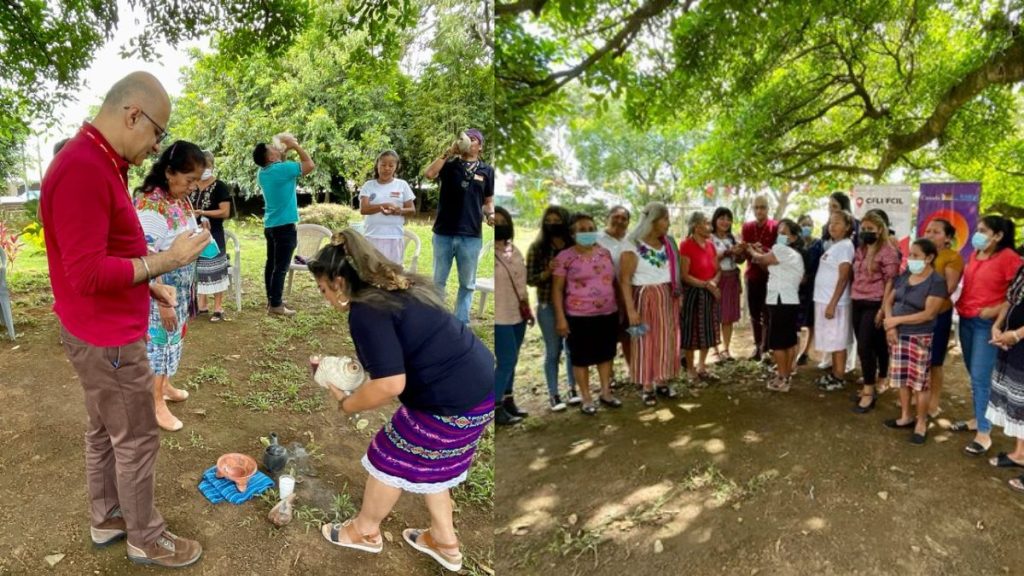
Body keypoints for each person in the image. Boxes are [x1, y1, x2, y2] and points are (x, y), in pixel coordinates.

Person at [40, 71, 209, 568]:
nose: (158, 145)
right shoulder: (83, 168)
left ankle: (108, 516)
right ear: (132, 113)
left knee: (104, 432)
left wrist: (145, 282)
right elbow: (88, 273)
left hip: (99, 329)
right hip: (107, 338)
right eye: (157, 132)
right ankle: (146, 538)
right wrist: (165, 262)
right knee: (135, 437)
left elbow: (102, 253)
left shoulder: (101, 161)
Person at [308, 230, 493, 573]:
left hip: (449, 402)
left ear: (339, 281)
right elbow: (395, 358)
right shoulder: (394, 287)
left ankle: (364, 532)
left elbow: (391, 383)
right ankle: (444, 541)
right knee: (431, 460)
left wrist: (346, 404)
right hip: (479, 391)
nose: (325, 299)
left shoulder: (365, 311)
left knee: (388, 455)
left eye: (323, 290)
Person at [135, 141, 207, 432]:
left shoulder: (178, 199)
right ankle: (155, 404)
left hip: (181, 287)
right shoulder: (152, 206)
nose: (192, 187)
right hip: (161, 292)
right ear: (169, 172)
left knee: (172, 342)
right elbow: (144, 256)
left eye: (195, 181)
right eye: (189, 180)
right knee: (158, 346)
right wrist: (163, 299)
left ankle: (164, 386)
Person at [952, 216, 1023, 456]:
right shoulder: (975, 254)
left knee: (981, 378)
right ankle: (979, 417)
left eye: (983, 230)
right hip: (966, 320)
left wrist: (993, 312)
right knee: (975, 374)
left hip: (987, 325)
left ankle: (983, 434)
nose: (977, 234)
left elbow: (1016, 295)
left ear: (999, 235)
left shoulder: (1010, 259)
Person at [423, 129, 495, 324]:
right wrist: (448, 152)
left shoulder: (487, 171)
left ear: (480, 146)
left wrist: (491, 215)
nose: (467, 142)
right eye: (464, 138)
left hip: (471, 235)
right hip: (443, 233)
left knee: (467, 284)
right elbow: (429, 174)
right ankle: (435, 321)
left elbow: (488, 201)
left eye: (472, 139)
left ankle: (461, 324)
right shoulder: (449, 165)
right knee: (438, 281)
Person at [553, 214, 622, 415]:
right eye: (582, 229)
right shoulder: (564, 257)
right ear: (573, 233)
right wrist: (560, 318)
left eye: (591, 228)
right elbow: (557, 289)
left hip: (608, 313)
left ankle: (606, 392)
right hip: (579, 316)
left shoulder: (605, 253)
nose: (588, 232)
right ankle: (586, 398)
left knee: (606, 354)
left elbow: (613, 282)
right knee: (581, 358)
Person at [882, 239, 948, 444]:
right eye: (910, 255)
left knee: (920, 383)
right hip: (897, 335)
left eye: (916, 255)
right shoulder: (905, 276)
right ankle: (905, 416)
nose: (911, 259)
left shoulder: (936, 281)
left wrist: (896, 320)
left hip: (919, 336)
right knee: (902, 379)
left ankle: (921, 422)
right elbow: (888, 301)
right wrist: (891, 326)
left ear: (929, 258)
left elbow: (928, 314)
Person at [620, 202, 682, 406]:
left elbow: (675, 272)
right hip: (643, 299)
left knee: (667, 339)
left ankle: (662, 380)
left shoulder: (669, 243)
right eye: (665, 218)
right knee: (643, 340)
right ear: (652, 221)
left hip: (666, 297)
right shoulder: (632, 244)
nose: (668, 222)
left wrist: (677, 295)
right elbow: (625, 280)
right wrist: (630, 310)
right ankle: (646, 385)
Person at [252, 134, 315, 316]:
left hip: (271, 226)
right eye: (272, 148)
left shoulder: (263, 172)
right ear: (271, 157)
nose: (275, 147)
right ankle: (277, 305)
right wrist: (295, 146)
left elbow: (282, 164)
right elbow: (309, 165)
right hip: (285, 227)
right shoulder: (281, 170)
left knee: (271, 264)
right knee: (281, 267)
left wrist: (284, 150)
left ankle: (272, 300)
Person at [527, 206, 580, 411]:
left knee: (572, 349)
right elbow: (530, 279)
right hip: (548, 306)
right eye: (548, 220)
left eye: (556, 220)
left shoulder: (574, 246)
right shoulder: (537, 248)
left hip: (575, 306)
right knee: (553, 351)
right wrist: (547, 272)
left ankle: (573, 389)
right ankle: (553, 394)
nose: (552, 224)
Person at [850, 211, 900, 413]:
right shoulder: (860, 249)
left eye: (870, 229)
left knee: (864, 346)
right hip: (857, 301)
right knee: (875, 344)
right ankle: (879, 377)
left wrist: (882, 309)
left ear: (880, 230)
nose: (866, 232)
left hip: (875, 302)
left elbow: (891, 281)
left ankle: (869, 390)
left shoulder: (888, 251)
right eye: (863, 228)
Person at [747, 219, 805, 391]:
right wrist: (760, 254)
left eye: (784, 232)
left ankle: (781, 377)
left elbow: (762, 259)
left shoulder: (781, 249)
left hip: (779, 300)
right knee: (788, 341)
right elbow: (769, 264)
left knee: (779, 343)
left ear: (793, 237)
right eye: (778, 231)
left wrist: (751, 250)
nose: (779, 235)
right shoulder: (796, 255)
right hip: (790, 300)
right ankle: (785, 376)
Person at [987, 265, 1024, 491]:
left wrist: (1016, 335)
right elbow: (1010, 300)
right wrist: (998, 325)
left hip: (1018, 339)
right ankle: (1020, 454)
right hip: (1013, 344)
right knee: (1020, 403)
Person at [922, 218, 964, 417]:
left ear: (948, 238)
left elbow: (949, 288)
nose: (930, 234)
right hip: (916, 314)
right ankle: (918, 397)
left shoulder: (952, 257)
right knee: (919, 359)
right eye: (928, 230)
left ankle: (933, 402)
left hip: (938, 314)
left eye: (936, 232)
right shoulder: (921, 255)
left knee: (935, 361)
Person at [494, 207, 531, 425]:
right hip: (500, 316)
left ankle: (508, 401)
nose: (500, 225)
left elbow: (521, 283)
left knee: (512, 360)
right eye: (495, 222)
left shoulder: (513, 250)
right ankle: (494, 406)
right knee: (506, 360)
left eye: (503, 221)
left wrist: (527, 308)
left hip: (518, 313)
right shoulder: (491, 253)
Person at [813, 210, 855, 392]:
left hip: (835, 302)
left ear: (847, 227)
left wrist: (832, 303)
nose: (832, 226)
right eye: (831, 222)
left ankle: (839, 377)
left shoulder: (846, 246)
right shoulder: (835, 246)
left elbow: (844, 276)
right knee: (831, 339)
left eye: (837, 223)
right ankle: (835, 373)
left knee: (838, 341)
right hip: (824, 299)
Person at [190, 150, 232, 322]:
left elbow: (225, 211)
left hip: (214, 234)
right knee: (198, 269)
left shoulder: (220, 186)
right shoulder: (191, 185)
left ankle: (218, 308)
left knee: (215, 269)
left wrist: (203, 212)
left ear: (212, 166)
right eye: (201, 167)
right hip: (194, 233)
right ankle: (202, 305)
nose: (204, 170)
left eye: (207, 166)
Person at [679, 211, 721, 381]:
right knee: (691, 331)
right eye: (706, 223)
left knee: (708, 330)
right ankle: (690, 369)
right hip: (693, 294)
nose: (710, 227)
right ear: (696, 226)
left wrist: (714, 283)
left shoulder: (711, 245)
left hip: (709, 293)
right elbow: (684, 275)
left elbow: (718, 270)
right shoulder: (686, 245)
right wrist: (707, 285)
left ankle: (702, 366)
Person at [359, 150, 416, 266]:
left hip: (394, 237)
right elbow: (364, 209)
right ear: (377, 165)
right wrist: (384, 206)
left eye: (391, 165)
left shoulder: (402, 185)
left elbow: (412, 210)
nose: (387, 168)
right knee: (372, 272)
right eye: (383, 165)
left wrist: (398, 210)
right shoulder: (368, 186)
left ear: (396, 167)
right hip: (372, 236)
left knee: (393, 273)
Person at [738, 195, 777, 360]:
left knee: (768, 313)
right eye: (756, 207)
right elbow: (743, 251)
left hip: (771, 276)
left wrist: (762, 250)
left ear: (768, 209)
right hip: (752, 275)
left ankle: (766, 348)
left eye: (763, 207)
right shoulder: (747, 227)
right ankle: (757, 346)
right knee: (755, 314)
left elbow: (779, 250)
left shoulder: (775, 226)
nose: (760, 210)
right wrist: (748, 248)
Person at [598, 205, 634, 369]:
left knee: (631, 333)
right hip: (605, 296)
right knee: (607, 337)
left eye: (624, 218)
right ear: (608, 217)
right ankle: (608, 375)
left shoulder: (632, 240)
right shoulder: (595, 238)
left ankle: (632, 369)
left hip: (629, 294)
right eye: (616, 216)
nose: (619, 221)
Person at [711, 207, 743, 361]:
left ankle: (726, 349)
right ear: (715, 220)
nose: (725, 222)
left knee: (728, 316)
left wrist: (741, 251)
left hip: (732, 279)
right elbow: (709, 258)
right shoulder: (709, 238)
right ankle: (715, 350)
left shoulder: (732, 238)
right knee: (715, 315)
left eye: (728, 219)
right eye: (721, 218)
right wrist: (727, 252)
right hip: (717, 279)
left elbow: (739, 261)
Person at [796, 214, 819, 367]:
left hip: (812, 285)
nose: (807, 227)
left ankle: (805, 352)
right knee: (795, 321)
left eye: (809, 224)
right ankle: (794, 350)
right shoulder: (795, 244)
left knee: (811, 320)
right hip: (796, 286)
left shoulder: (818, 243)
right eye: (804, 224)